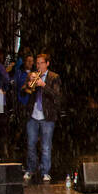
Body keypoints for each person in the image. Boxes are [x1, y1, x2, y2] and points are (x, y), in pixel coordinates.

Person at [21, 53, 62, 183]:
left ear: (47, 63)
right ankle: (31, 169)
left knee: (45, 146)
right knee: (31, 144)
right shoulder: (32, 75)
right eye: (37, 63)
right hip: (33, 115)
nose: (38, 66)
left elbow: (57, 96)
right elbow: (23, 91)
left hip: (47, 116)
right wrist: (29, 82)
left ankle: (45, 172)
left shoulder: (54, 77)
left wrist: (43, 85)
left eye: (41, 63)